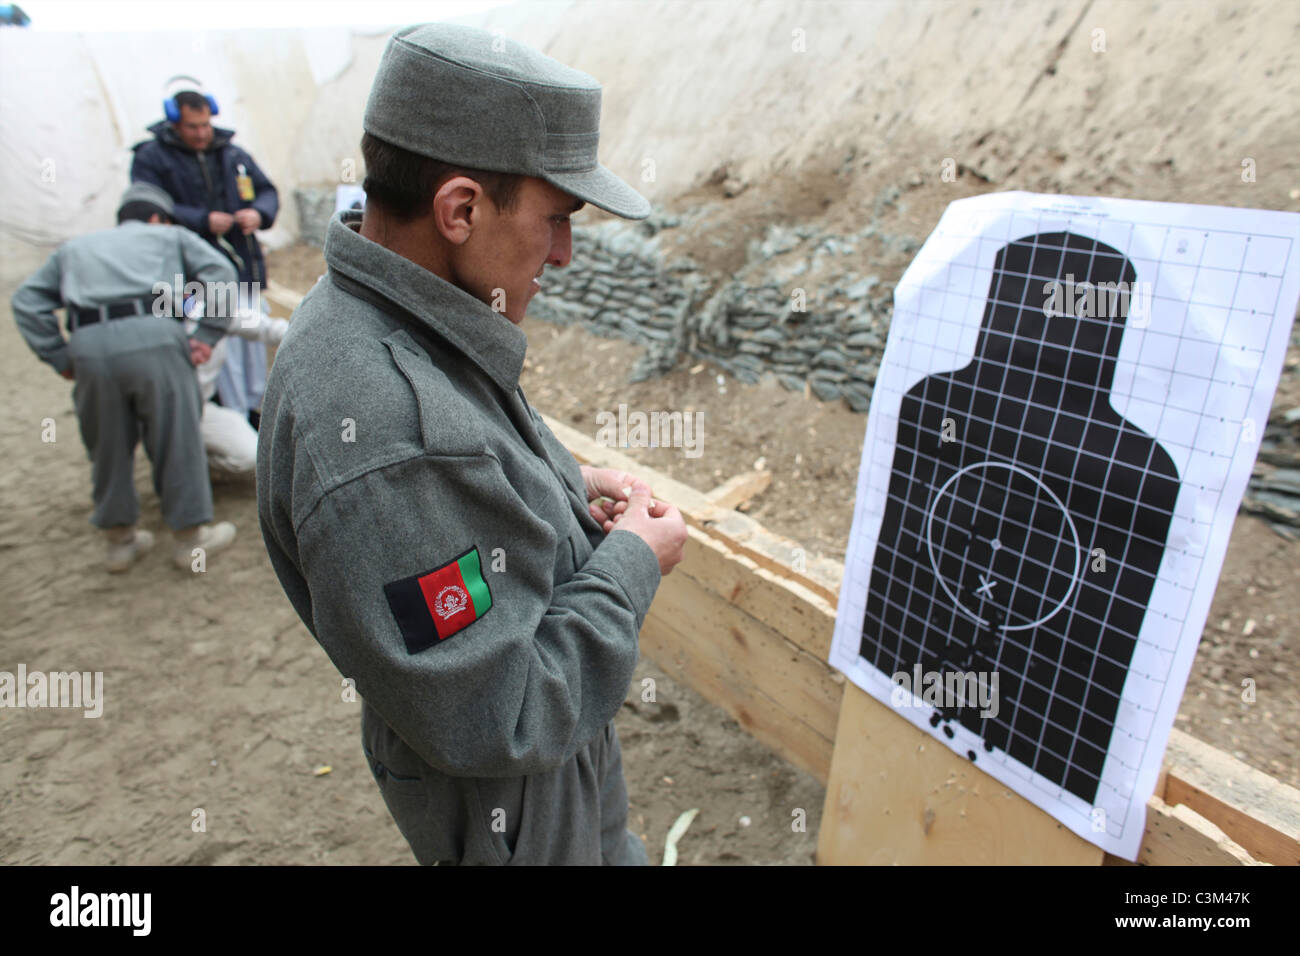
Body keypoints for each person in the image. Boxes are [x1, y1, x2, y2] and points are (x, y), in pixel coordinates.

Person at [257, 22, 687, 866]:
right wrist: (633, 558)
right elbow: (506, 712)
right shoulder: (390, 432)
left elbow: (465, 453)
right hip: (518, 812)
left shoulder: (389, 312)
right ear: (459, 208)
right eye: (557, 218)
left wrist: (559, 484)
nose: (563, 253)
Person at [12, 182, 239, 572]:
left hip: (90, 344)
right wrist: (207, 334)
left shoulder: (74, 248)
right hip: (156, 334)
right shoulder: (170, 234)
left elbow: (27, 302)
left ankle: (120, 543)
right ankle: (189, 541)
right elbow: (222, 271)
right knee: (175, 437)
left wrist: (59, 354)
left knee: (107, 442)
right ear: (157, 218)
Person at [130, 87, 279, 429]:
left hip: (241, 265)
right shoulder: (151, 158)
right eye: (192, 126)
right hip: (190, 278)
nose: (201, 132)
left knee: (252, 337)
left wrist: (259, 212)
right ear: (174, 123)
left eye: (205, 124)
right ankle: (229, 411)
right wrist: (202, 220)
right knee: (217, 342)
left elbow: (267, 191)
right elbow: (147, 207)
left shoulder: (233, 155)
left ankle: (257, 407)